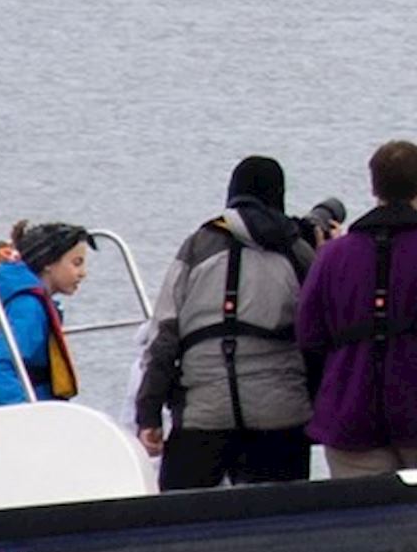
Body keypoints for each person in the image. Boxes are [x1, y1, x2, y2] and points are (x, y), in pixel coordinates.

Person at [297, 140, 417, 476]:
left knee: (360, 521)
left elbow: (308, 334)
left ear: (374, 186)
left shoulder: (332, 256)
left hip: (350, 414)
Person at [136, 156, 317, 487]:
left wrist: (148, 412)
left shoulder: (196, 245)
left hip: (203, 414)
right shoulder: (296, 250)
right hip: (280, 413)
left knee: (184, 521)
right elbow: (318, 333)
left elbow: (164, 333)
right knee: (282, 523)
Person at [0, 220, 90, 404]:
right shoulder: (29, 308)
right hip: (25, 413)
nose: (83, 273)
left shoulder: (31, 303)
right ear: (48, 264)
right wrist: (26, 415)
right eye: (76, 263)